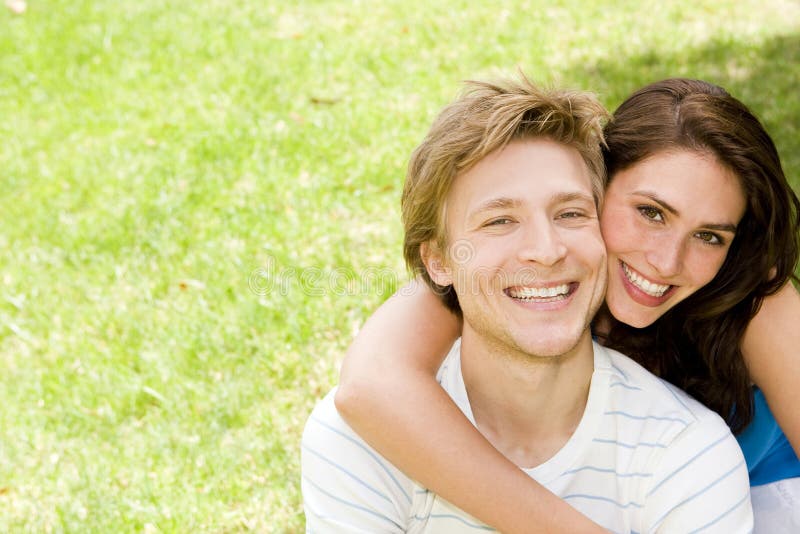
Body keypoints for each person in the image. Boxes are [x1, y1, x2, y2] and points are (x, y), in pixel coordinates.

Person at [335, 77, 800, 533]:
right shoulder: (510, 275)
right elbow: (370, 385)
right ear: (595, 186)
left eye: (708, 236)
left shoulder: (752, 293)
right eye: (650, 212)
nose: (666, 262)